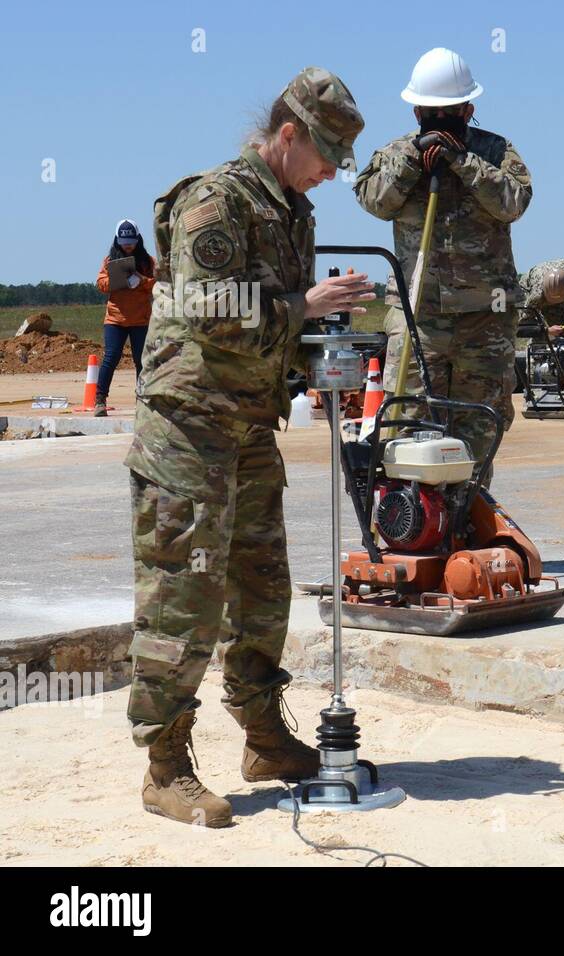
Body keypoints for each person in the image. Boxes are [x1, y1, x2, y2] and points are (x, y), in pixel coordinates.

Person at [125, 68, 372, 827]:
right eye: (326, 152)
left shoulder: (291, 210)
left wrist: (323, 353)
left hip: (249, 424)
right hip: (187, 424)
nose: (332, 171)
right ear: (288, 135)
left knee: (264, 588)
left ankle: (263, 736)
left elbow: (279, 328)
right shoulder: (216, 200)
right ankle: (165, 767)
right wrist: (304, 306)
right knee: (185, 594)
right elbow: (208, 309)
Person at [354, 47, 531, 487]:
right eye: (432, 113)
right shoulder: (396, 154)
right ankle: (415, 525)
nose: (441, 121)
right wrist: (415, 161)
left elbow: (513, 203)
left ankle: (467, 524)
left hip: (484, 321)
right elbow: (375, 200)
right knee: (409, 427)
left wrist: (462, 162)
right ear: (416, 112)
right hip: (420, 319)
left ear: (469, 110)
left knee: (479, 428)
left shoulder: (495, 151)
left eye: (450, 113)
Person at [93, 219, 156, 416]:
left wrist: (142, 280)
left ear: (138, 239)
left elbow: (159, 284)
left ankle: (142, 400)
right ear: (117, 240)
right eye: (123, 241)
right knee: (111, 357)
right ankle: (100, 400)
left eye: (131, 240)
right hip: (115, 319)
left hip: (141, 319)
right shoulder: (109, 260)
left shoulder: (148, 261)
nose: (127, 244)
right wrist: (117, 280)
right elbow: (101, 283)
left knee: (141, 361)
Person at [517, 258, 564, 340]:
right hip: (529, 288)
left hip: (557, 286)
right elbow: (522, 327)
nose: (553, 302)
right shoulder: (536, 296)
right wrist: (546, 331)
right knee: (538, 330)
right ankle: (539, 349)